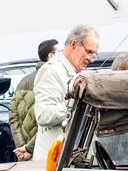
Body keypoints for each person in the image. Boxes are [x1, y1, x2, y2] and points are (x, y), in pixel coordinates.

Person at [32, 24, 100, 160]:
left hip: (66, 159)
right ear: (74, 45)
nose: (92, 59)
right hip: (52, 163)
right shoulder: (50, 71)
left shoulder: (76, 72)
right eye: (89, 52)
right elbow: (43, 115)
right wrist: (79, 107)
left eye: (94, 54)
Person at [9, 38, 57, 160]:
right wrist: (29, 148)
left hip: (26, 153)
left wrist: (22, 147)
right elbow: (50, 124)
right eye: (60, 53)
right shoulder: (54, 80)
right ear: (51, 56)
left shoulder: (23, 81)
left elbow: (13, 118)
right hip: (46, 151)